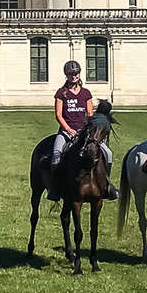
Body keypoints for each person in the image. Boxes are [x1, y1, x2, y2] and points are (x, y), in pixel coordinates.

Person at [47, 61, 116, 202]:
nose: (74, 76)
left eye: (76, 73)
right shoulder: (61, 93)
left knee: (108, 153)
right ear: (66, 75)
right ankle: (55, 188)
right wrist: (68, 130)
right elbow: (58, 115)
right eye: (71, 74)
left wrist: (88, 131)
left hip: (85, 132)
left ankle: (106, 186)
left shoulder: (86, 93)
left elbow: (90, 114)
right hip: (66, 132)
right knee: (56, 155)